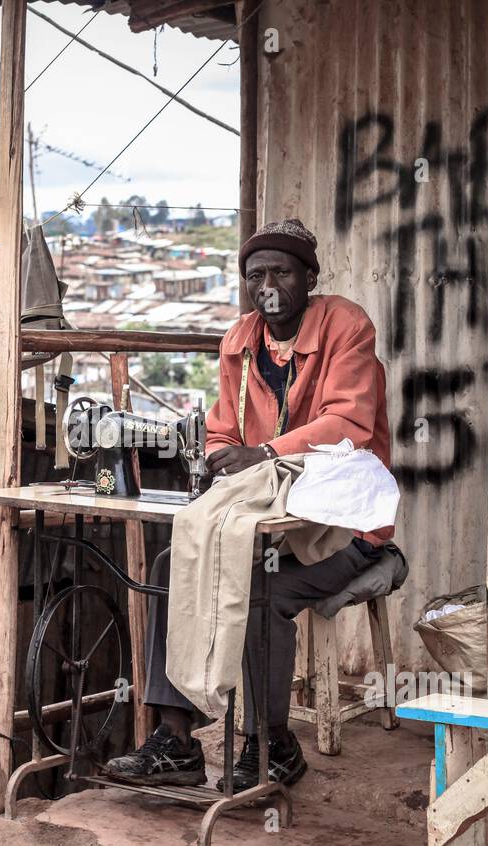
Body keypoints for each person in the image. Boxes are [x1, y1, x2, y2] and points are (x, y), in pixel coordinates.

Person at [104, 219, 395, 792]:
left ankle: (275, 744)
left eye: (280, 272)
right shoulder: (240, 339)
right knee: (173, 567)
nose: (267, 284)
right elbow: (220, 430)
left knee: (261, 589)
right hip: (271, 522)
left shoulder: (346, 325)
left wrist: (260, 453)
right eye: (254, 274)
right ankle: (175, 740)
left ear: (309, 277)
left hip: (347, 527)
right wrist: (218, 458)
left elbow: (348, 426)